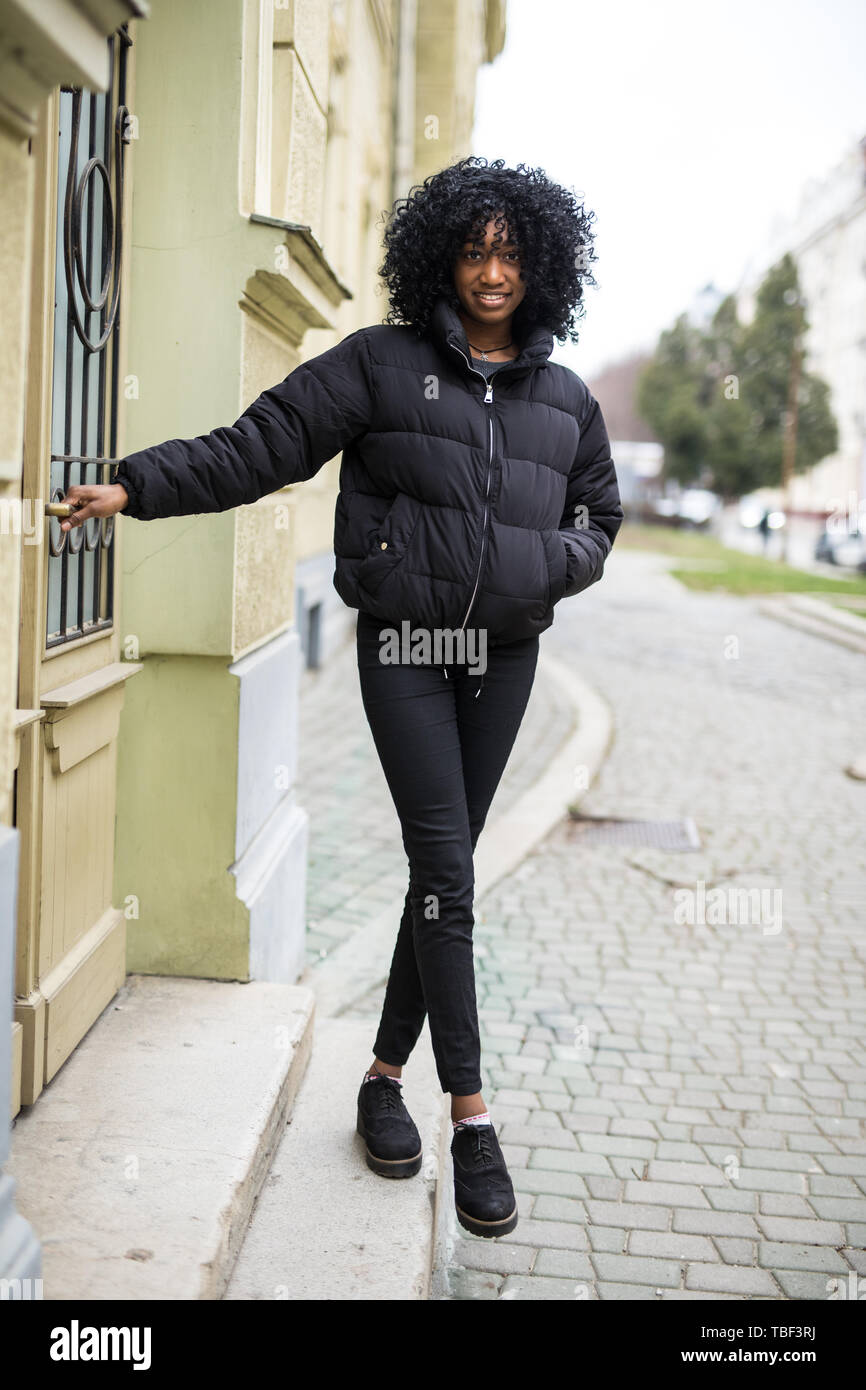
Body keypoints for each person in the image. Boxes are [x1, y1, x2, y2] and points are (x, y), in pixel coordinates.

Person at [58, 156, 624, 1241]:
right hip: (407, 643)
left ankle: (378, 1078)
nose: (491, 270)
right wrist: (137, 483)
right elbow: (257, 448)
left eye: (509, 252)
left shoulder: (564, 399)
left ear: (541, 264)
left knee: (437, 868)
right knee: (449, 864)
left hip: (500, 656)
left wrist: (552, 565)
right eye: (472, 248)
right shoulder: (378, 364)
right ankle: (471, 1118)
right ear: (439, 258)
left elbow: (600, 516)